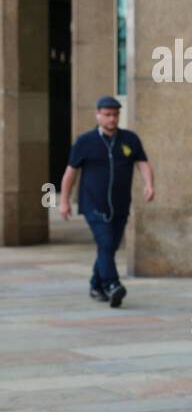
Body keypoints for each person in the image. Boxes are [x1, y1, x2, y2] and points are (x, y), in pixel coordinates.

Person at [58, 96, 154, 308]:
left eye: (116, 115)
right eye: (108, 115)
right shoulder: (85, 142)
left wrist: (149, 184)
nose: (112, 119)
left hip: (120, 205)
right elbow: (70, 173)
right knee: (106, 242)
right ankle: (112, 284)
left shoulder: (130, 140)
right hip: (93, 205)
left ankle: (96, 285)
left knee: (108, 247)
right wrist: (64, 201)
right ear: (98, 115)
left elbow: (143, 163)